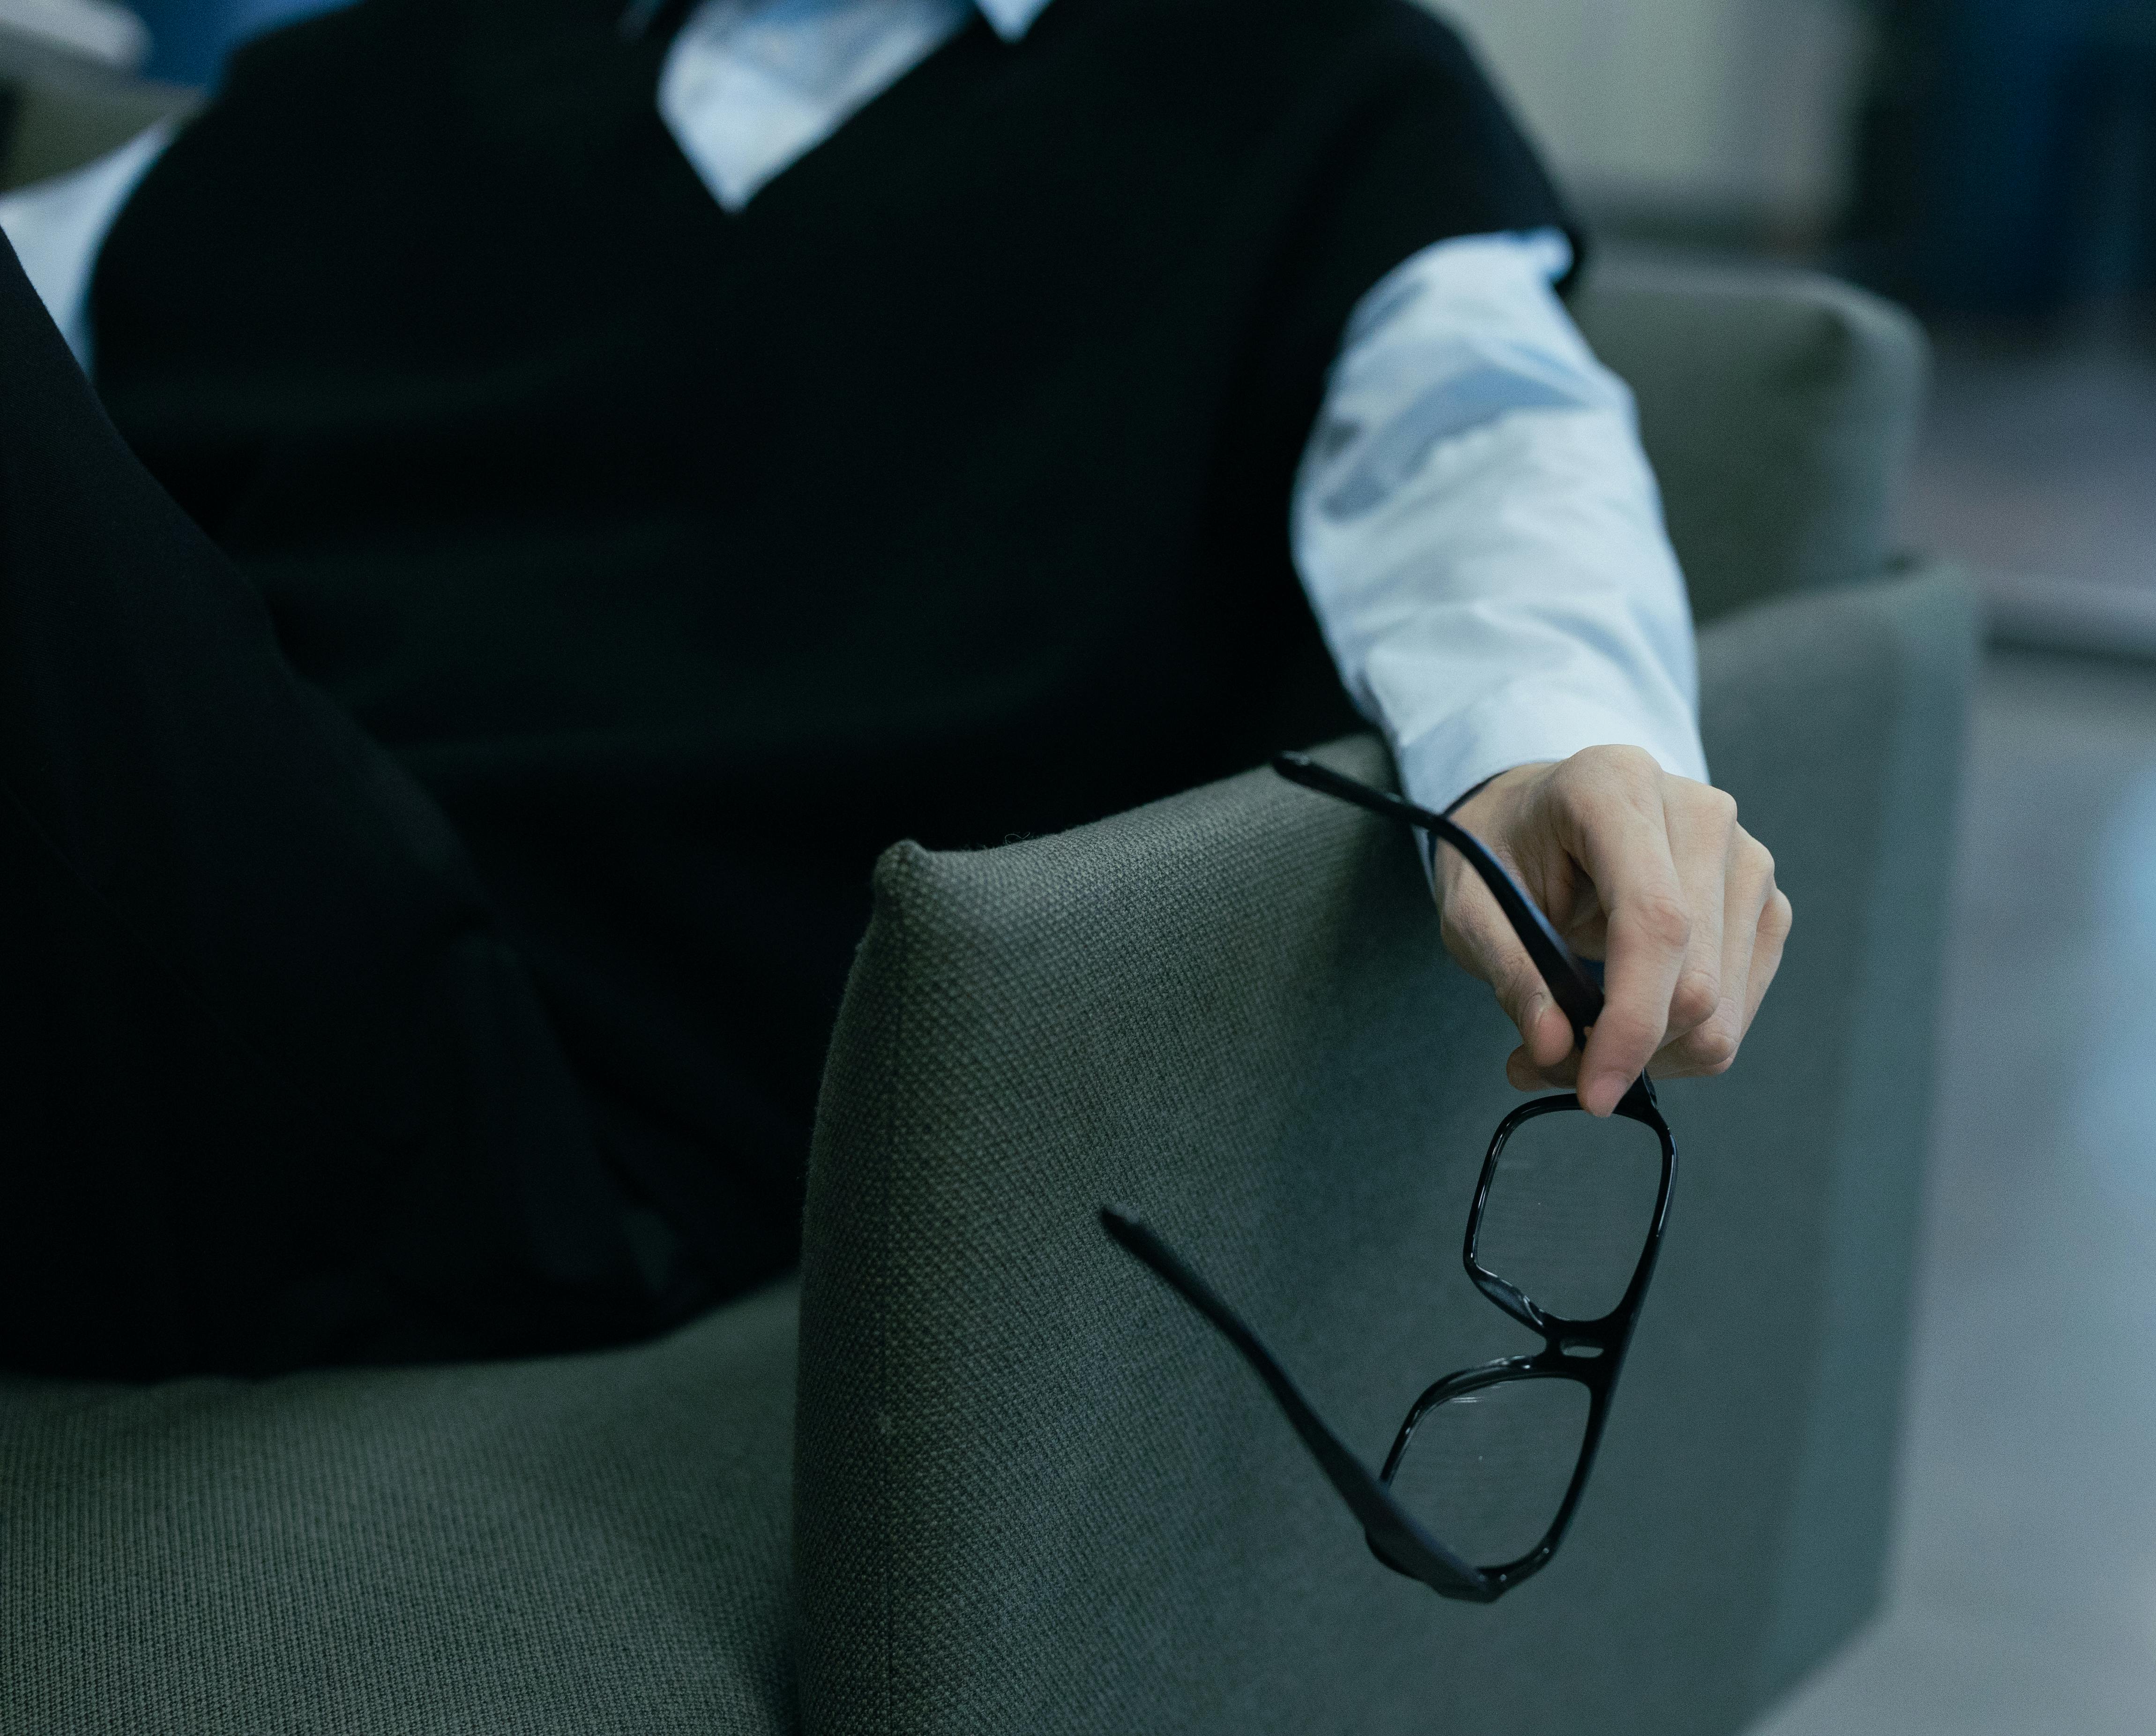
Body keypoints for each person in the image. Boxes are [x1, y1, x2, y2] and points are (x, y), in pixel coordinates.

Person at [0, 0, 1789, 1379]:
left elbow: (1481, 452)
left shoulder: (1308, 86)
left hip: (543, 1112)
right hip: (153, 925)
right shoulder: (376, 78)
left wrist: (1558, 750)